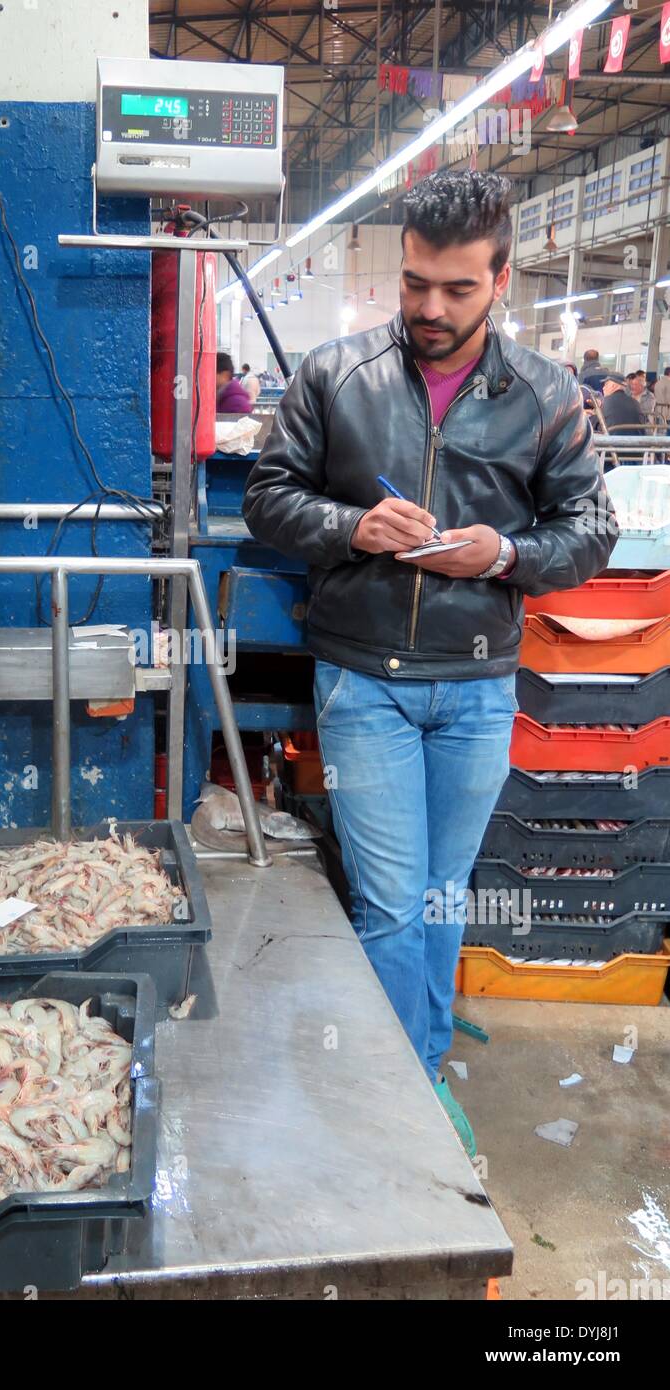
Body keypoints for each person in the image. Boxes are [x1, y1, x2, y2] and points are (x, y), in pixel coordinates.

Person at [243, 171, 615, 1157]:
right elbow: (268, 497)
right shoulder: (335, 377)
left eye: (455, 289)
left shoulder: (545, 397)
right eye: (414, 285)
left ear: (501, 281)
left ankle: (422, 1059)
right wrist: (352, 525)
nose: (430, 309)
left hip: (480, 686)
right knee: (392, 900)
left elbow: (592, 531)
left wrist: (501, 554)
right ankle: (398, 1094)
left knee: (445, 893)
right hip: (366, 680)